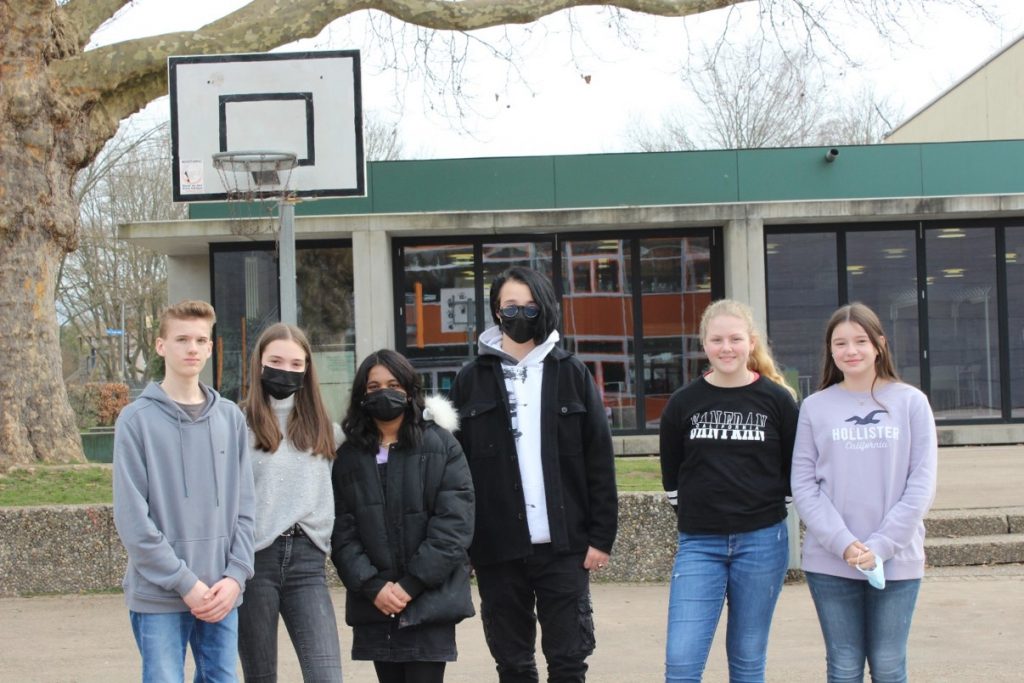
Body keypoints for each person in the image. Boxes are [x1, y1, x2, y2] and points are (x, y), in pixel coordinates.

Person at [448, 266, 618, 683]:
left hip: (564, 547)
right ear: (496, 311)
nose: (519, 314)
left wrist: (601, 537)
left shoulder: (572, 373)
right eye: (510, 306)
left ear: (543, 308)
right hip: (496, 548)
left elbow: (599, 458)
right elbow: (454, 469)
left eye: (529, 306)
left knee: (569, 662)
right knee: (513, 665)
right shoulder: (470, 379)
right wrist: (463, 545)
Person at [791, 302, 937, 683]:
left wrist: (882, 546)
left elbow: (921, 482)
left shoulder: (911, 402)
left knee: (889, 665)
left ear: (879, 345)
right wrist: (843, 543)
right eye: (840, 343)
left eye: (860, 341)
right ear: (830, 350)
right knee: (843, 666)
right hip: (831, 561)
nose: (850, 350)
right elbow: (803, 485)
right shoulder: (814, 407)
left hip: (897, 558)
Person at [113, 300, 255, 682]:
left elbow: (245, 508)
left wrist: (236, 576)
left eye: (200, 340)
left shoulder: (230, 418)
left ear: (210, 348)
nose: (192, 348)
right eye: (181, 339)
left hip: (222, 591)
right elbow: (132, 520)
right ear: (161, 346)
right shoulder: (135, 420)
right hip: (159, 594)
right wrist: (184, 582)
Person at [659, 298, 799, 683]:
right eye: (717, 340)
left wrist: (761, 510)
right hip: (699, 543)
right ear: (704, 343)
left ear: (751, 342)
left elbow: (792, 470)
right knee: (681, 662)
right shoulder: (683, 403)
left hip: (762, 542)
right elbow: (672, 476)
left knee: (747, 658)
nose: (726, 348)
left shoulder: (778, 401)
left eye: (735, 339)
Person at [331, 349, 475, 683]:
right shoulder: (348, 456)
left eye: (393, 385)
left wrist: (411, 585)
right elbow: (341, 530)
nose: (384, 392)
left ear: (409, 390)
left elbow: (454, 524)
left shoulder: (442, 445)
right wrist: (373, 587)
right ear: (362, 395)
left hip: (429, 602)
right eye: (374, 387)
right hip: (376, 606)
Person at [237, 323, 343, 682]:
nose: (286, 370)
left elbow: (382, 436)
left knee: (326, 676)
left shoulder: (324, 427)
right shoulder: (237, 424)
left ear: (307, 369)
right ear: (259, 363)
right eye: (276, 361)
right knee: (260, 676)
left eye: (296, 364)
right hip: (254, 562)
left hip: (308, 562)